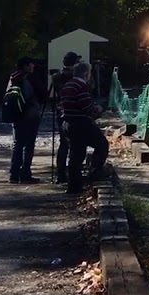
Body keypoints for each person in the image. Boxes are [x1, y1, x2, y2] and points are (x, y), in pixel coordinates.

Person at [59, 60, 109, 194]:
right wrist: (98, 109)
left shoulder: (67, 85)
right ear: (86, 74)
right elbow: (87, 107)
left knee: (76, 154)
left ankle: (73, 186)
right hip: (81, 123)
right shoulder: (81, 87)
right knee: (102, 144)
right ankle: (95, 171)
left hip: (68, 123)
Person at [7, 57, 44, 184]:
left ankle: (13, 174)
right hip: (30, 114)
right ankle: (25, 173)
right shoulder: (30, 78)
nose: (33, 66)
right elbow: (41, 95)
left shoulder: (13, 78)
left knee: (17, 144)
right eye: (31, 64)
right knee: (29, 145)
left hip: (16, 114)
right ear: (26, 66)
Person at [49, 51, 80, 184]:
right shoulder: (75, 77)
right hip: (75, 111)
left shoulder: (56, 76)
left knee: (63, 143)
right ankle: (73, 174)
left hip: (61, 111)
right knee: (75, 143)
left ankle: (60, 174)